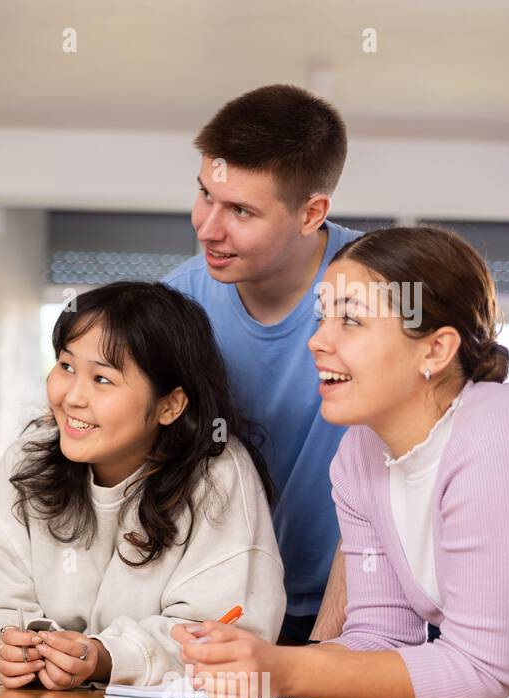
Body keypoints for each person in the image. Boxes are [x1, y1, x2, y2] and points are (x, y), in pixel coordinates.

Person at [174, 227, 509, 698]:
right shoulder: (361, 452)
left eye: (352, 321)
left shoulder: (504, 438)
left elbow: (478, 674)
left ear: (435, 350)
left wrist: (283, 668)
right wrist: (251, 665)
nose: (317, 341)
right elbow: (379, 637)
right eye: (322, 317)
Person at [0, 282, 285, 690]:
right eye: (66, 366)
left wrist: (104, 657)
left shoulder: (217, 477)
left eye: (102, 379)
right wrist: (2, 650)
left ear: (170, 405)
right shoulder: (27, 458)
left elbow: (224, 635)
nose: (72, 397)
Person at [163, 84, 361, 645]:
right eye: (205, 195)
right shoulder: (178, 301)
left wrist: (327, 646)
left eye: (241, 211)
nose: (207, 227)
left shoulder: (381, 293)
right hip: (226, 607)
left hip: (364, 609)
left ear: (312, 213)